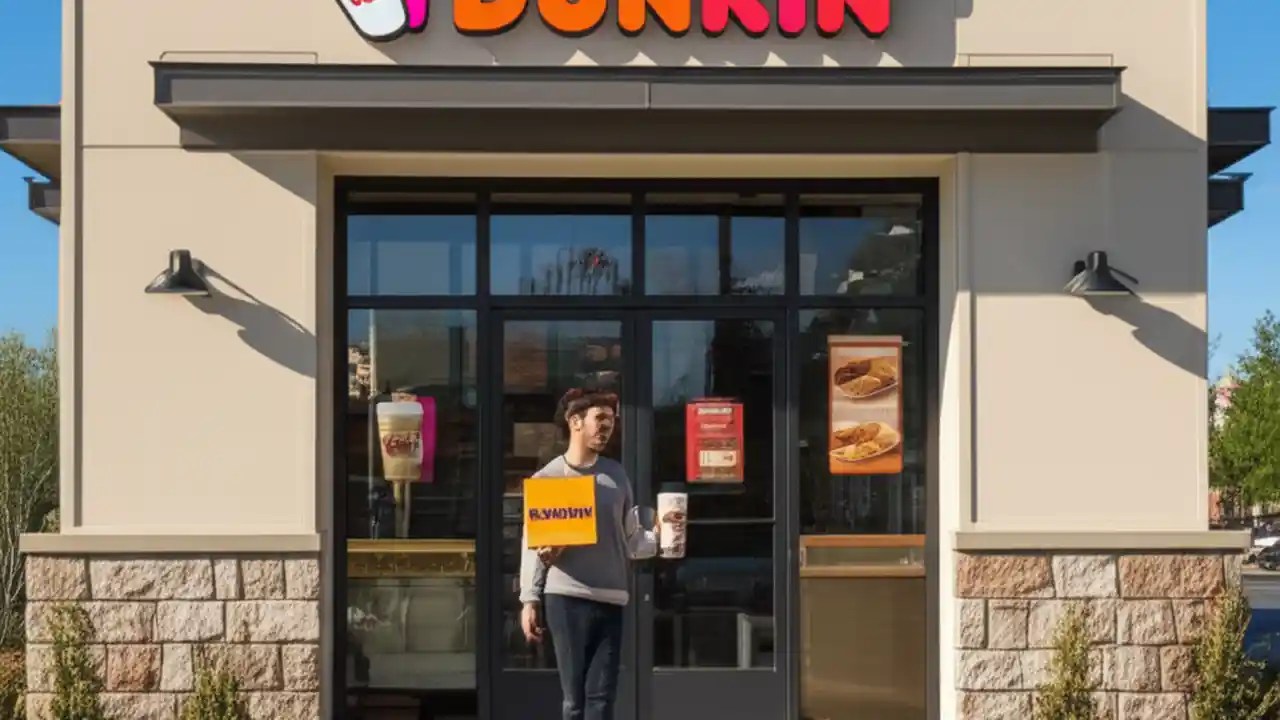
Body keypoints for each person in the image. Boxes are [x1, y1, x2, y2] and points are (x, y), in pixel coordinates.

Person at [518, 388, 681, 720]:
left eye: (612, 419)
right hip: (566, 598)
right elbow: (532, 547)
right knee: (574, 700)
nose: (607, 427)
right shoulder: (547, 478)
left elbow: (631, 540)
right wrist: (529, 600)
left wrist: (663, 535)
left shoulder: (615, 475)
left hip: (611, 597)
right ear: (575, 421)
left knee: (602, 698)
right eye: (600, 418)